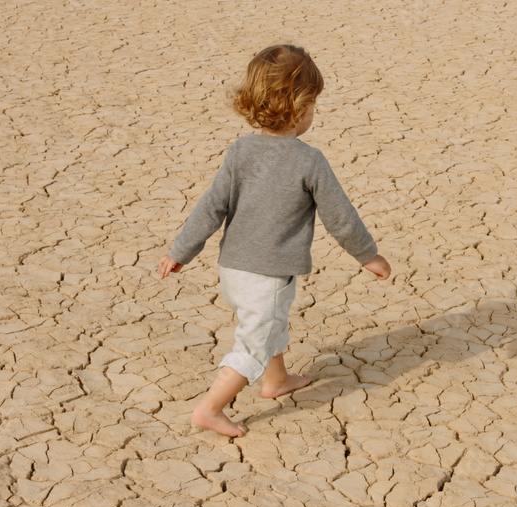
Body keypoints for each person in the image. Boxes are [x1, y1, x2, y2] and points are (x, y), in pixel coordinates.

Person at [158, 44, 391, 437]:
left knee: (270, 325)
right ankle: (210, 410)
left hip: (232, 270)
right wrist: (369, 255)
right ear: (300, 108)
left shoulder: (240, 151)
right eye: (313, 105)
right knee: (254, 342)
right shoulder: (309, 161)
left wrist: (181, 251)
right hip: (267, 276)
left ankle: (277, 379)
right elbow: (341, 218)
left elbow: (211, 207)